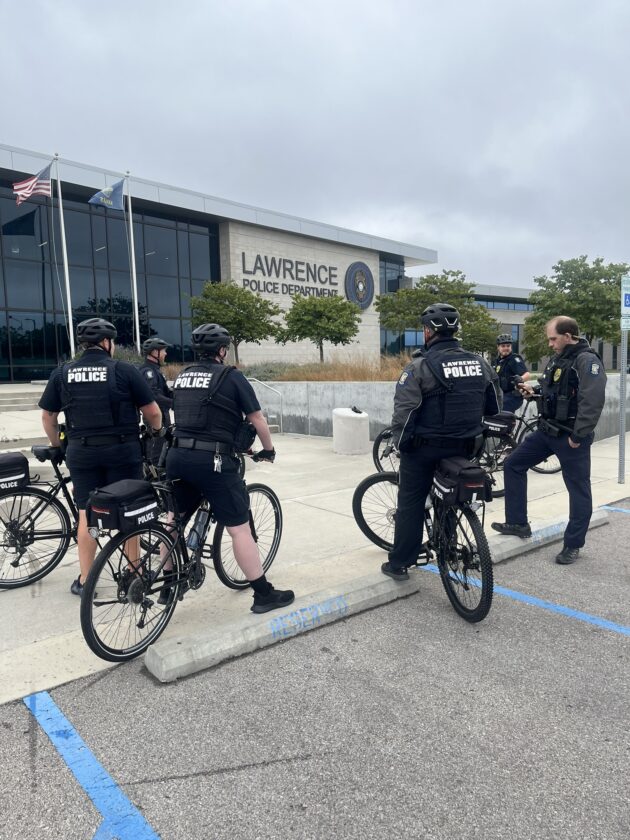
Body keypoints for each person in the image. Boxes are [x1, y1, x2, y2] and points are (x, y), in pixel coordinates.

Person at [166, 322, 295, 613]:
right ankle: (263, 594)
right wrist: (268, 450)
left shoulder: (183, 376)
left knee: (172, 521)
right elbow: (258, 418)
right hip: (211, 462)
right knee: (239, 529)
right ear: (222, 350)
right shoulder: (231, 376)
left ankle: (166, 584)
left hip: (177, 455)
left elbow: (199, 416)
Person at [38, 318, 163, 595]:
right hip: (122, 451)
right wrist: (157, 432)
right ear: (107, 343)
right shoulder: (124, 370)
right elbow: (152, 412)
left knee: (87, 514)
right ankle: (134, 572)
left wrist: (56, 445)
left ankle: (85, 581)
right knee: (130, 511)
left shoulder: (62, 373)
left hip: (81, 452)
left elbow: (48, 417)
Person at [382, 303, 502, 580]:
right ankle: (447, 548)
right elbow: (494, 405)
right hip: (467, 445)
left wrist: (401, 444)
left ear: (428, 332)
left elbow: (405, 413)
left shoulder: (419, 367)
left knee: (410, 502)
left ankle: (400, 562)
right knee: (450, 493)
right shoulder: (480, 363)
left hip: (426, 447)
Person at [492, 316, 606, 565]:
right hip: (546, 431)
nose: (550, 344)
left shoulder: (586, 360)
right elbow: (554, 391)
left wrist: (578, 436)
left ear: (568, 336)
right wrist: (535, 392)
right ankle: (518, 522)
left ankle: (573, 544)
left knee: (578, 489)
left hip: (570, 437)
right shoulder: (558, 359)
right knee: (513, 464)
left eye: (553, 338)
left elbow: (593, 401)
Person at [139, 337, 173, 464]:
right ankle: (154, 479)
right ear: (154, 352)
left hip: (162, 415)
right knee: (157, 452)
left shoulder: (155, 370)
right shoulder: (148, 372)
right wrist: (173, 403)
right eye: (163, 350)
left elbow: (164, 391)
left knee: (164, 449)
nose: (165, 353)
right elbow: (153, 395)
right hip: (155, 418)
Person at [494, 333, 530, 413]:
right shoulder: (498, 361)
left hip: (513, 396)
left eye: (508, 346)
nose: (506, 348)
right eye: (503, 346)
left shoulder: (514, 359)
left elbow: (527, 375)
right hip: (502, 395)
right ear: (498, 347)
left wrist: (520, 378)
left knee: (497, 408)